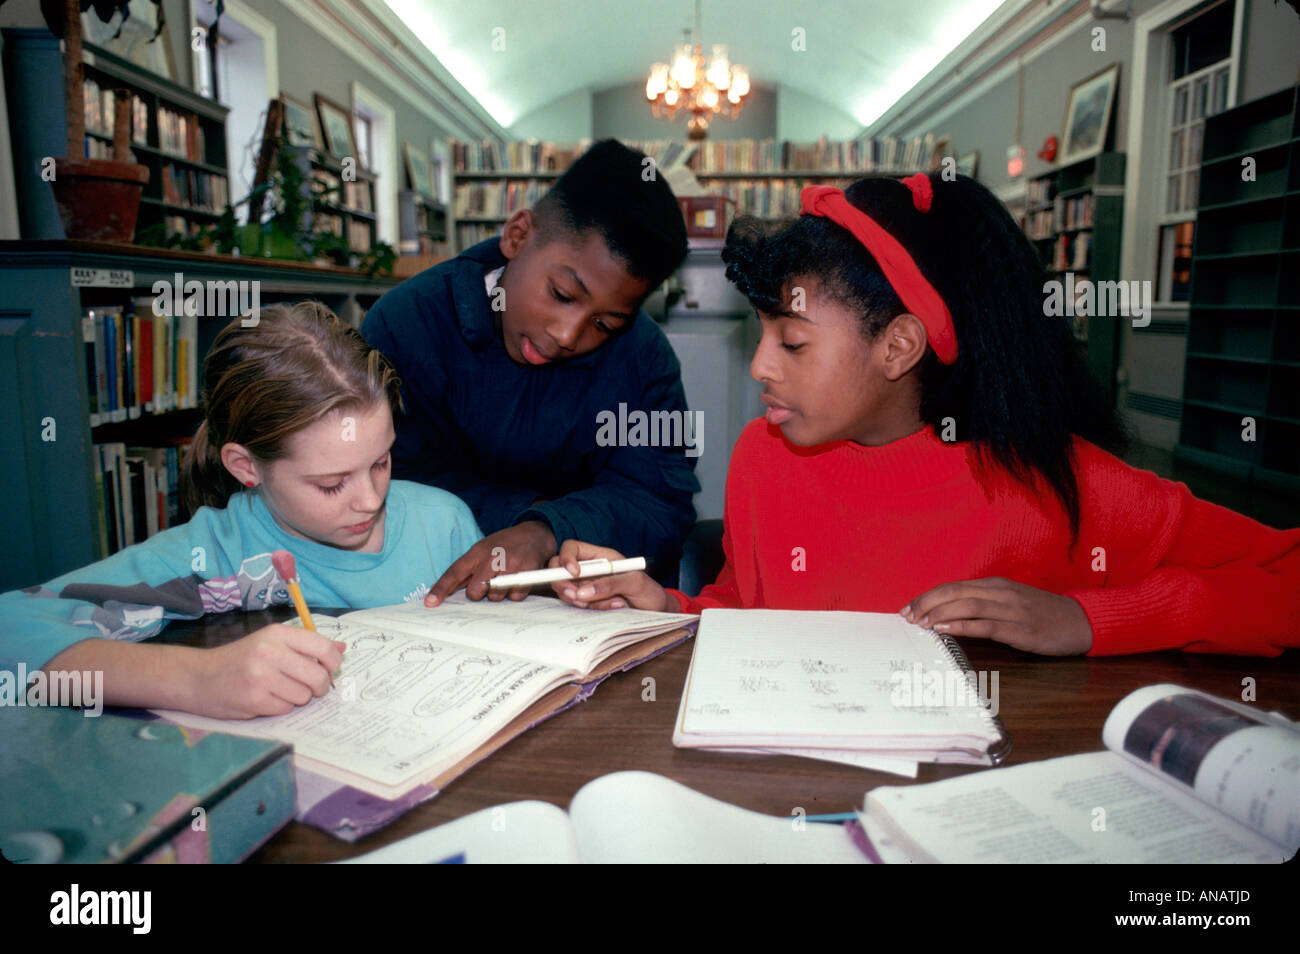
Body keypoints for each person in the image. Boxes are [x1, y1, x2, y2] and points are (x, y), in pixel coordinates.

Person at [544, 173, 1300, 657]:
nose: (759, 367)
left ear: (899, 345)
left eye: (793, 342)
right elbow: (747, 611)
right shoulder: (762, 455)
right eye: (761, 332)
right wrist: (666, 609)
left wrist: (1090, 619)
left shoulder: (1052, 480)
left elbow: (1286, 584)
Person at [0, 303, 481, 717]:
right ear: (246, 467)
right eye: (331, 484)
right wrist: (199, 680)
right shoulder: (216, 553)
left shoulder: (445, 525)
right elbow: (10, 632)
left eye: (380, 463)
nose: (372, 500)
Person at [361, 139, 698, 607]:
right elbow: (381, 482)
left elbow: (662, 506)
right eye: (562, 293)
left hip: (582, 608)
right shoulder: (405, 324)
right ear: (518, 235)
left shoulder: (644, 357)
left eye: (605, 324)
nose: (567, 334)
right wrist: (526, 518)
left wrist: (545, 530)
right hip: (427, 595)